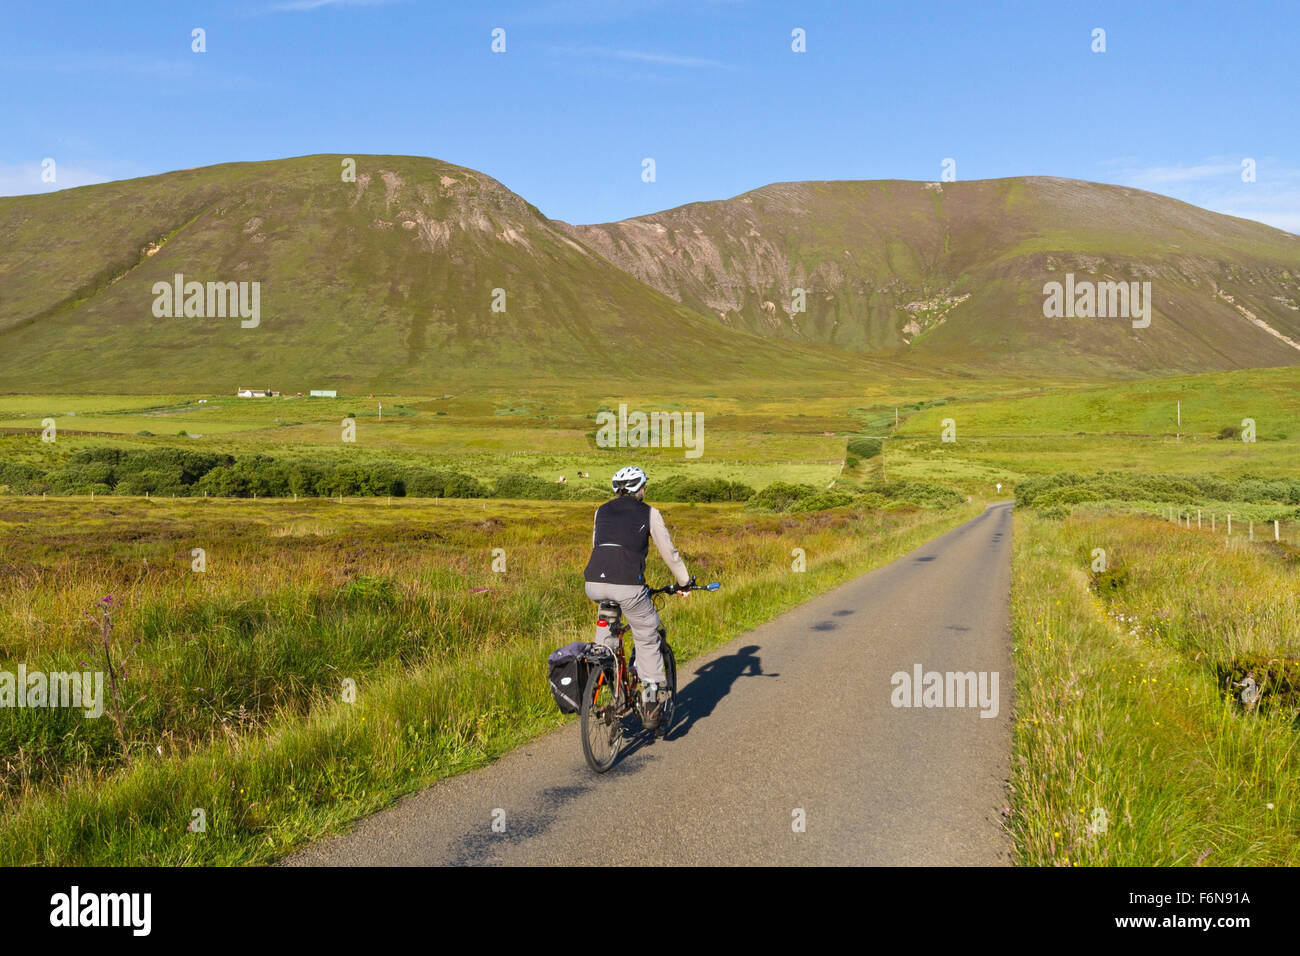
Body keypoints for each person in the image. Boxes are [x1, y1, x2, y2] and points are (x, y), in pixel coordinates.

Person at [583, 466, 691, 728]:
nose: (645, 490)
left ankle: (607, 684)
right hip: (629, 586)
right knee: (646, 634)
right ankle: (652, 704)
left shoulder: (601, 511)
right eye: (644, 486)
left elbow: (597, 545)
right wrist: (684, 581)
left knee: (606, 640)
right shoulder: (650, 513)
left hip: (594, 582)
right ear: (639, 489)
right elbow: (669, 552)